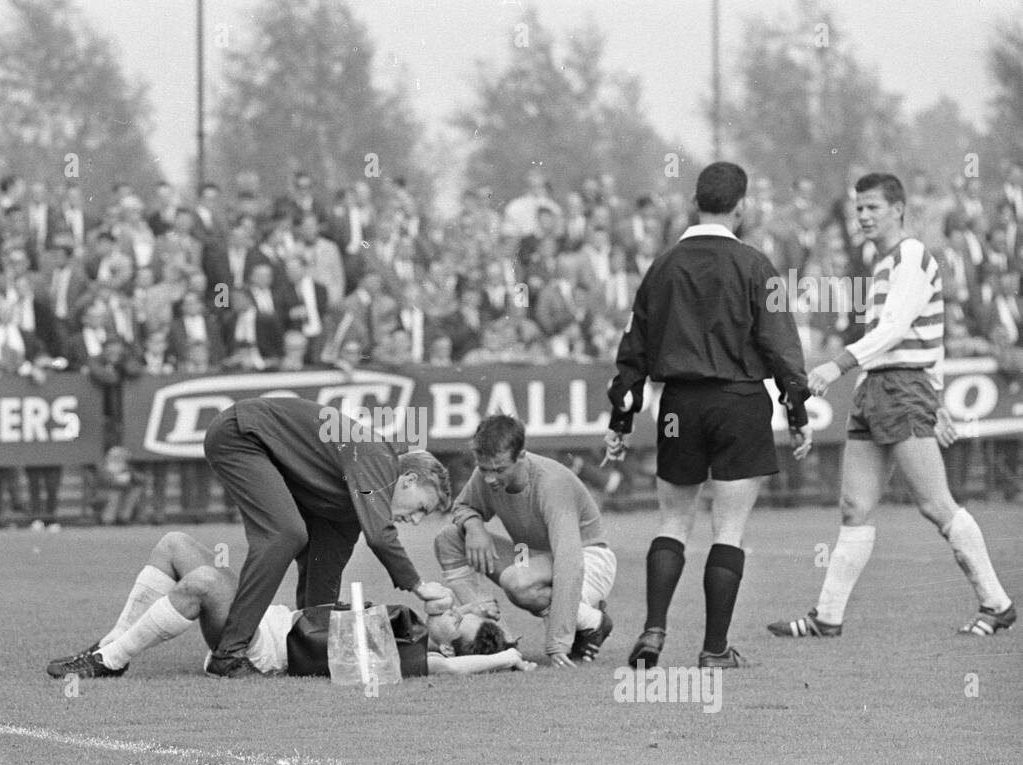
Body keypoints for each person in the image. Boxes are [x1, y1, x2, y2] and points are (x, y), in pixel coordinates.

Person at [770, 173, 1015, 640]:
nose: (863, 216)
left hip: (901, 389)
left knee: (934, 504)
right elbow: (921, 335)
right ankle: (827, 616)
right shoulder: (884, 262)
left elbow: (897, 329)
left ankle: (996, 603)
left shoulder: (911, 256)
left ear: (898, 209)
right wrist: (932, 396)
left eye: (872, 208)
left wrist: (835, 366)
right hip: (877, 389)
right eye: (859, 208)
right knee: (853, 507)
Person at [605, 161, 813, 670]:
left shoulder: (663, 266)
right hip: (740, 402)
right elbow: (781, 344)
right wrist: (797, 408)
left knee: (673, 520)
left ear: (697, 202)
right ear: (741, 207)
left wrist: (621, 420)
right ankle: (714, 650)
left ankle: (654, 628)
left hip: (679, 404)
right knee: (728, 529)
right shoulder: (757, 265)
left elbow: (633, 348)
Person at [45, 532, 535, 678]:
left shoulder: (412, 653)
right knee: (174, 544)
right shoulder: (413, 621)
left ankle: (110, 660)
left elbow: (452, 671)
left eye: (457, 625)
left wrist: (505, 657)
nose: (451, 616)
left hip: (262, 651)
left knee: (202, 583)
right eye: (459, 614)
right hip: (271, 619)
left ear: (454, 650)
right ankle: (111, 643)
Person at [200, 396, 453, 678]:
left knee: (322, 564)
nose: (416, 521)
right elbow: (380, 536)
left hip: (260, 445)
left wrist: (319, 644)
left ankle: (299, 650)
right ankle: (228, 654)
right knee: (284, 534)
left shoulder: (353, 503)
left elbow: (323, 578)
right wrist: (418, 585)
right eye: (421, 508)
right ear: (408, 480)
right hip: (241, 434)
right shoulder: (379, 458)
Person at [435, 414, 616, 668]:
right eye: (484, 469)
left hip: (589, 559)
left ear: (521, 456)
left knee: (518, 582)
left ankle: (591, 621)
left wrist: (558, 642)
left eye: (499, 470)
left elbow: (569, 562)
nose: (489, 478)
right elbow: (463, 506)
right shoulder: (487, 472)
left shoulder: (552, 484)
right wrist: (474, 526)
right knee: (449, 538)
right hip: (533, 558)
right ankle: (500, 644)